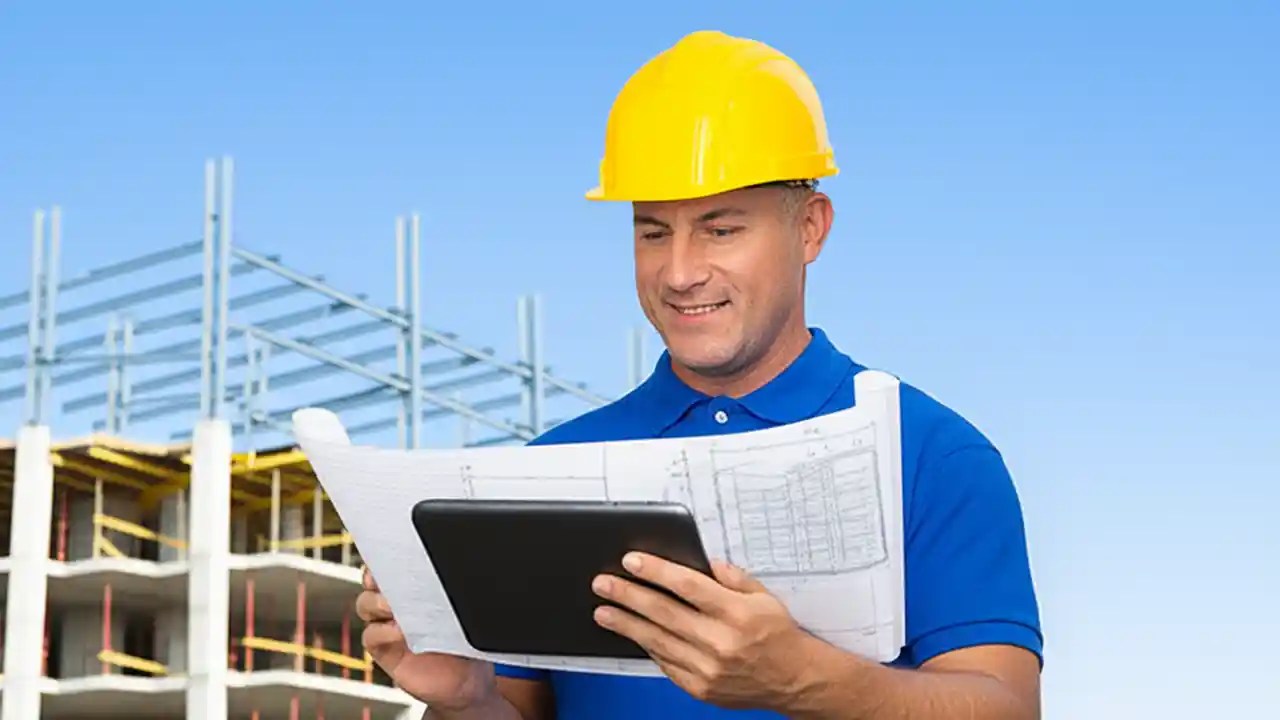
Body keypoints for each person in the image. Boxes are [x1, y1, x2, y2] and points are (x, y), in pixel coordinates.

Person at [357, 30, 1043, 719]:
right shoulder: (548, 472)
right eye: (653, 231)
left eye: (720, 229)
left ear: (810, 228)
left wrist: (803, 677)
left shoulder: (930, 455)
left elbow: (1007, 707)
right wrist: (467, 701)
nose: (680, 273)